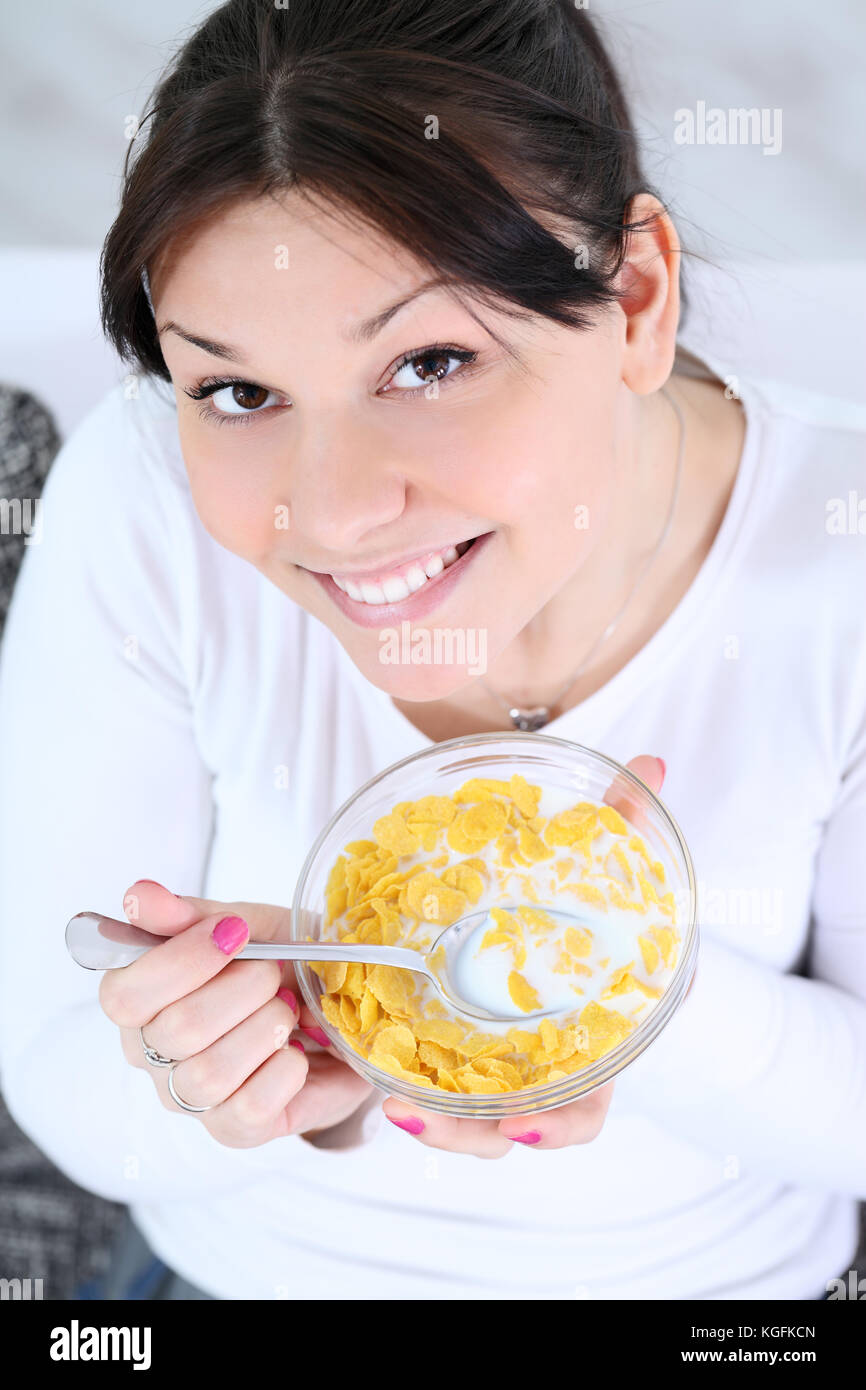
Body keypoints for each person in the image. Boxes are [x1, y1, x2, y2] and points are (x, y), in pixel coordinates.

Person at [0, 0, 864, 1302]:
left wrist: (610, 976)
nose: (335, 511)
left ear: (633, 297)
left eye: (433, 361)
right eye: (236, 392)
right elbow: (54, 1073)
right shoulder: (140, 495)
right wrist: (258, 1077)